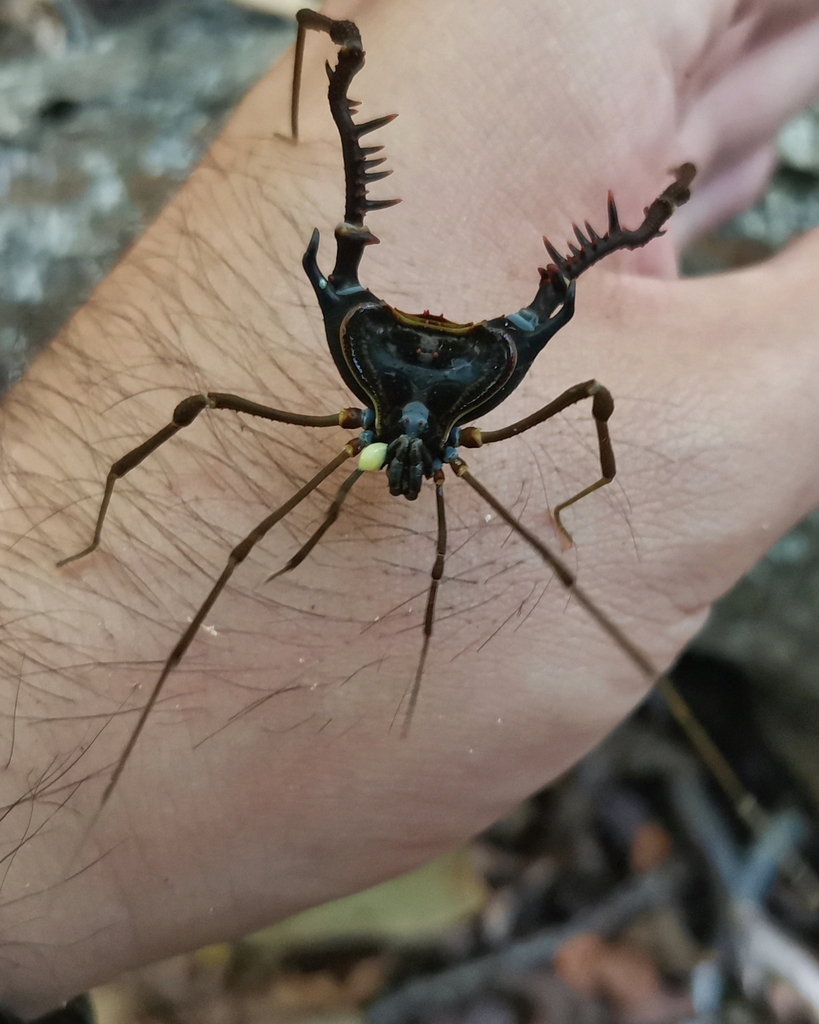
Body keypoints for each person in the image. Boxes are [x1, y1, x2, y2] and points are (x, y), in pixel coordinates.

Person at [1, 0, 818, 1014]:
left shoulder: (436, 447)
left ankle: (590, 196)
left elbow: (587, 402)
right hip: (411, 391)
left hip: (421, 395)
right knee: (228, 468)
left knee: (527, 345)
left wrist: (581, 494)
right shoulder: (390, 429)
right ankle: (353, 83)